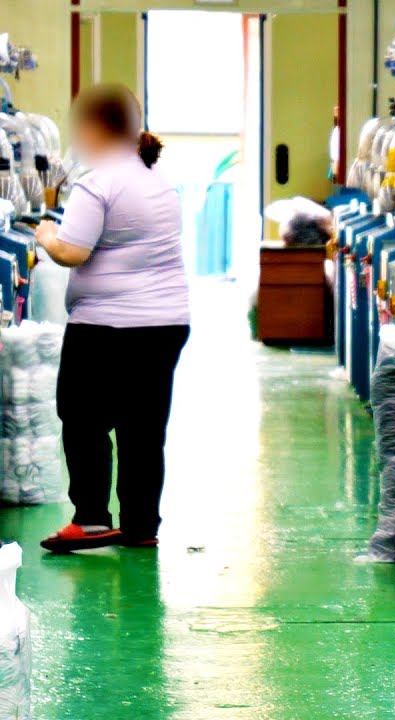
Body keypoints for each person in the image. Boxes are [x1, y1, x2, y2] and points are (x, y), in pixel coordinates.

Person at [37, 83, 190, 553]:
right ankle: (142, 526)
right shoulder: (154, 177)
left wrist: (45, 233)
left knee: (82, 419)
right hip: (165, 323)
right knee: (143, 428)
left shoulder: (98, 181)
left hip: (107, 326)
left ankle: (90, 521)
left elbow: (72, 249)